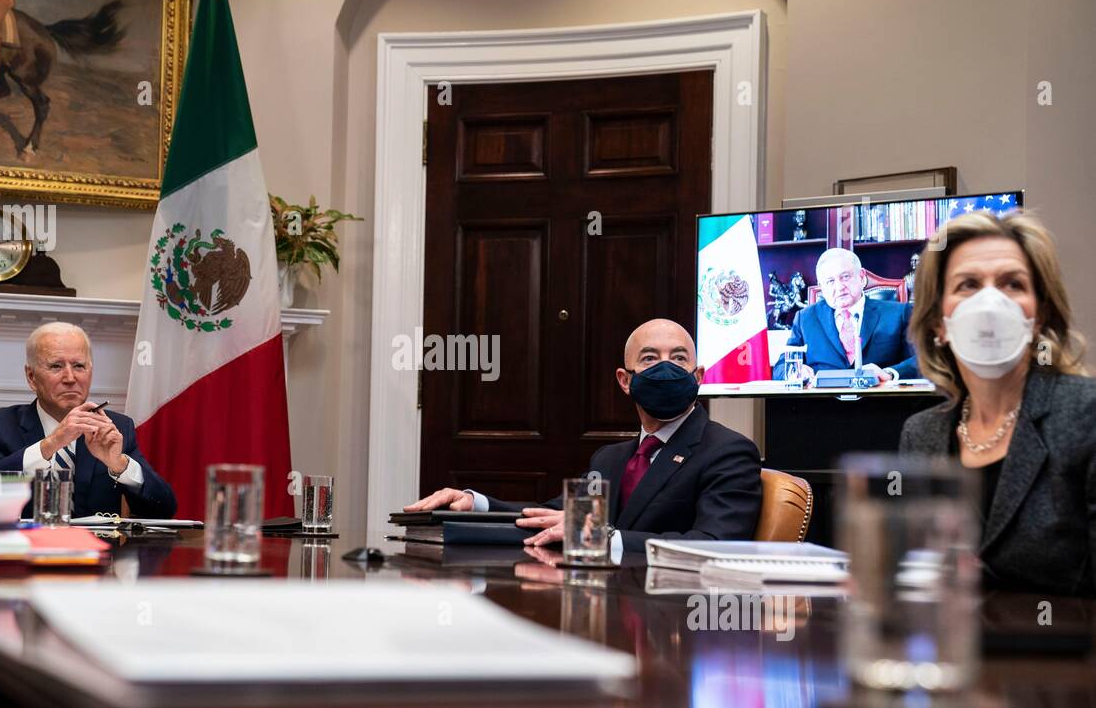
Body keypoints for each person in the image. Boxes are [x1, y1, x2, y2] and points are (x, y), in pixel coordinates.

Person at [405, 318, 763, 563]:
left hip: (675, 623)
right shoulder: (610, 459)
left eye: (679, 358)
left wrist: (602, 538)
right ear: (625, 381)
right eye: (650, 359)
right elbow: (552, 517)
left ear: (698, 376)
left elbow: (715, 546)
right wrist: (476, 503)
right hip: (603, 607)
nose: (665, 368)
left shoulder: (728, 451)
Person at [899, 209, 1095, 594]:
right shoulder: (920, 435)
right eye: (968, 285)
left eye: (1012, 284)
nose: (990, 304)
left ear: (1038, 316)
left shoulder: (1085, 415)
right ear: (939, 323)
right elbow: (917, 579)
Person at [0, 322, 177, 518]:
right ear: (31, 377)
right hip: (27, 544)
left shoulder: (116, 427)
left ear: (90, 372)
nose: (70, 378)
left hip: (96, 545)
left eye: (78, 366)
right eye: (56, 366)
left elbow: (163, 509)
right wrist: (50, 445)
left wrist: (120, 465)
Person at [771, 247, 919, 383]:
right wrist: (796, 370)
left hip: (880, 399)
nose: (839, 287)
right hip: (822, 401)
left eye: (845, 277)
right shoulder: (805, 319)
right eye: (830, 281)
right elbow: (781, 367)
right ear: (821, 287)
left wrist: (889, 373)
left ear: (861, 277)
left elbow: (923, 359)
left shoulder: (898, 314)